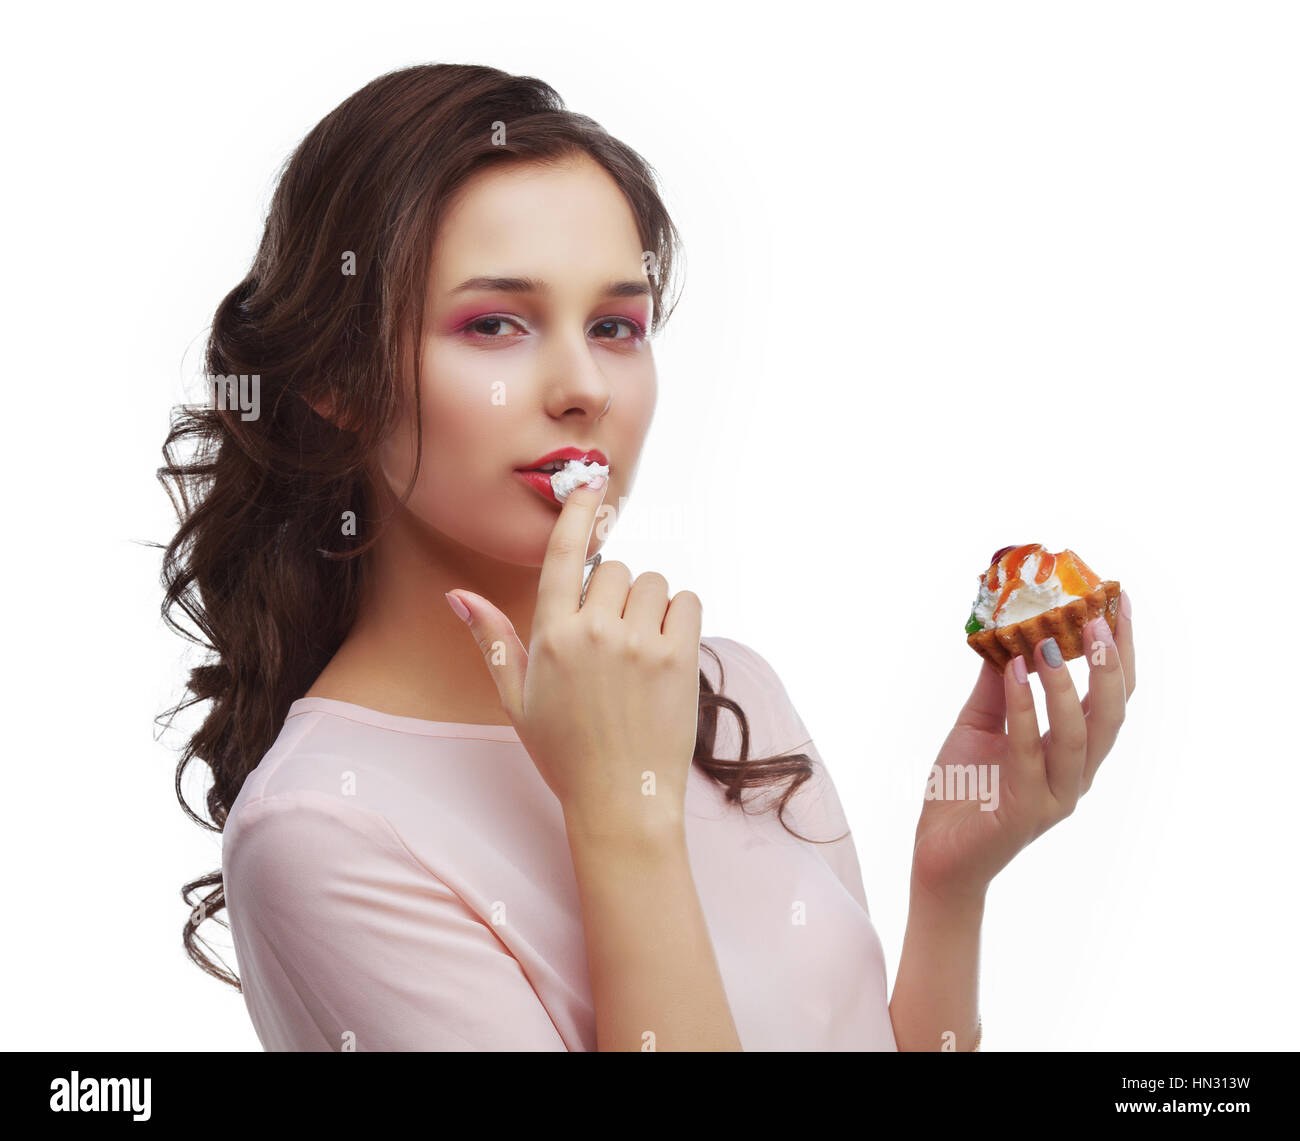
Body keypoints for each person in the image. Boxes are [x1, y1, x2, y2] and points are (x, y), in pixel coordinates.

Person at [159, 63, 1137, 1051]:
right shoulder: (323, 830)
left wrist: (947, 886)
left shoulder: (729, 692)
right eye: (494, 323)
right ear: (337, 377)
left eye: (616, 326)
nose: (583, 385)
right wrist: (623, 816)